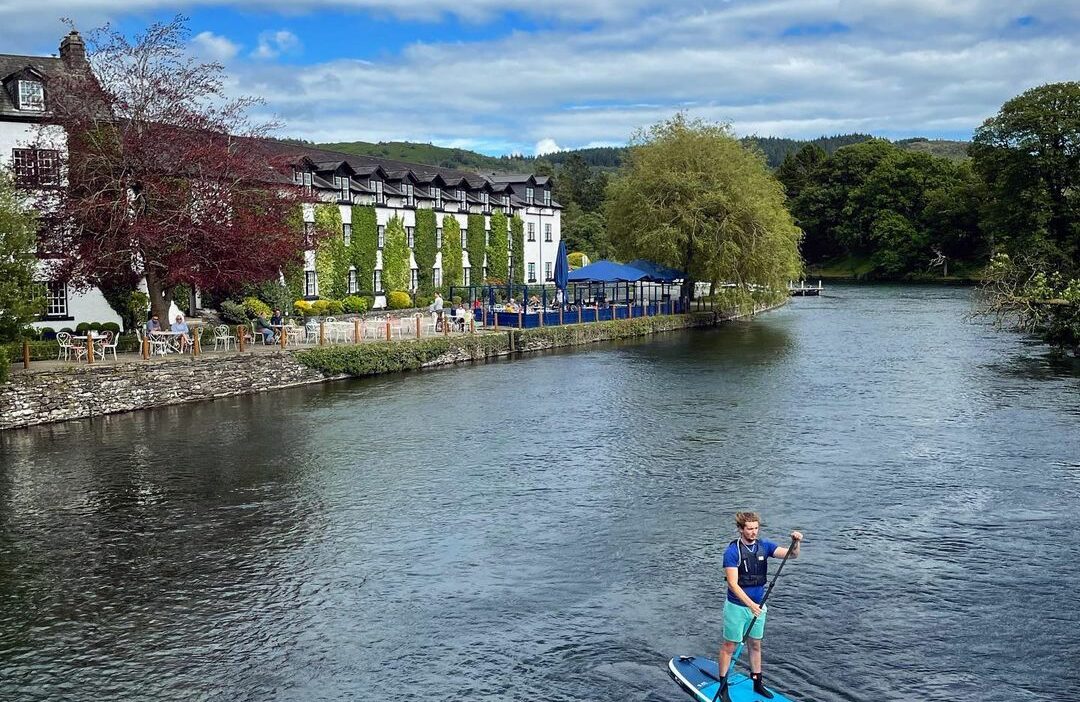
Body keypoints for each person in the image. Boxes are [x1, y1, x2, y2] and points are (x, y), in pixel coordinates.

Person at [715, 512, 803, 702]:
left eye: (756, 528)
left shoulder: (764, 546)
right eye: (749, 529)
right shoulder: (732, 552)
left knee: (755, 644)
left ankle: (757, 682)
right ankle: (723, 687)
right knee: (730, 645)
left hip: (758, 606)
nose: (754, 532)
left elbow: (792, 555)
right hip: (737, 607)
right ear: (740, 529)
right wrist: (751, 605)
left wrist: (795, 542)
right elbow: (732, 584)